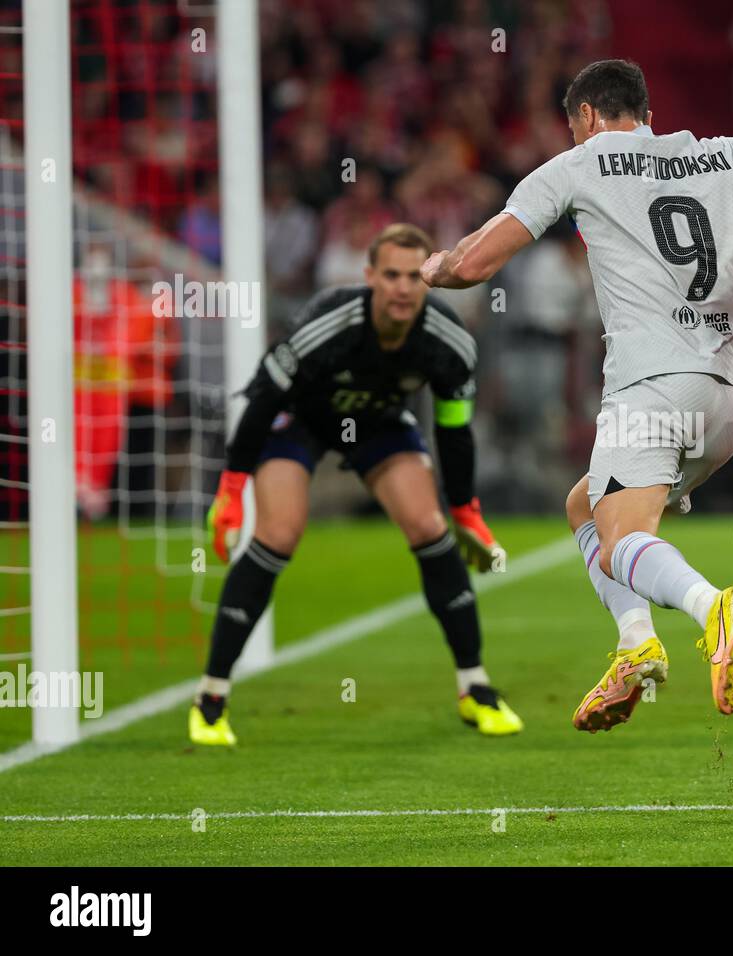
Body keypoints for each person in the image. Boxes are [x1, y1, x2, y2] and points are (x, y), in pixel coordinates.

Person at [420, 59, 733, 733]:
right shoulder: (722, 155)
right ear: (647, 116)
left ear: (586, 118)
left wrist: (429, 269)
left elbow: (472, 265)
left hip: (652, 387)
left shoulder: (576, 165)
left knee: (619, 544)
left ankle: (712, 607)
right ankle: (634, 645)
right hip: (731, 400)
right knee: (585, 505)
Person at [192, 223, 519, 745]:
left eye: (415, 276)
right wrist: (231, 489)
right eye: (391, 275)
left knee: (428, 525)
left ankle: (475, 689)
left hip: (378, 425)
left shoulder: (449, 343)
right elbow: (262, 404)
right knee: (279, 533)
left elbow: (453, 431)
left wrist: (464, 510)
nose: (403, 287)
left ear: (429, 279)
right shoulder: (329, 325)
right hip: (297, 422)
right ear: (370, 277)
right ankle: (211, 699)